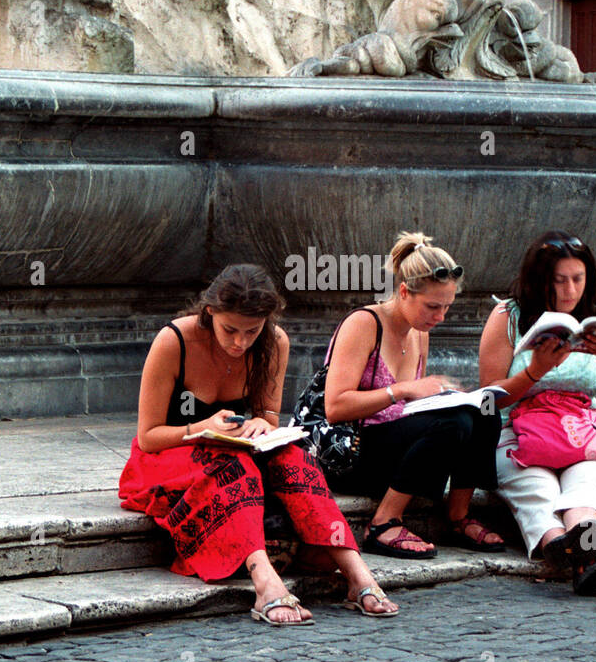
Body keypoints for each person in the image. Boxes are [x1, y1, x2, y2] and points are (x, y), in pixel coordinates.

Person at [118, 264, 397, 625]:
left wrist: (258, 426)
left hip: (230, 446)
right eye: (229, 329)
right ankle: (263, 579)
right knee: (232, 467)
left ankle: (356, 572)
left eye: (252, 331)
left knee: (295, 459)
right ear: (210, 312)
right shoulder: (175, 341)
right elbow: (148, 436)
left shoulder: (275, 342)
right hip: (166, 457)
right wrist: (202, 426)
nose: (240, 342)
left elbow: (268, 416)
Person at [324, 231, 504, 558]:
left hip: (392, 445)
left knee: (485, 410)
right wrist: (403, 389)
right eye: (433, 306)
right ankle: (382, 522)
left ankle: (458, 516)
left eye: (447, 307)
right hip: (350, 452)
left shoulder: (418, 331)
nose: (440, 317)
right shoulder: (364, 323)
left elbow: (407, 409)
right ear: (404, 292)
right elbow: (335, 407)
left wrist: (442, 396)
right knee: (455, 423)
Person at [478, 231, 596, 595]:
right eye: (558, 281)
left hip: (582, 431)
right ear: (538, 281)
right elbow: (487, 401)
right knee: (537, 487)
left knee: (588, 482)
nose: (570, 291)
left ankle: (572, 546)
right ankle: (585, 553)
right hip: (516, 431)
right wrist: (535, 371)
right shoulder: (508, 317)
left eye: (578, 279)